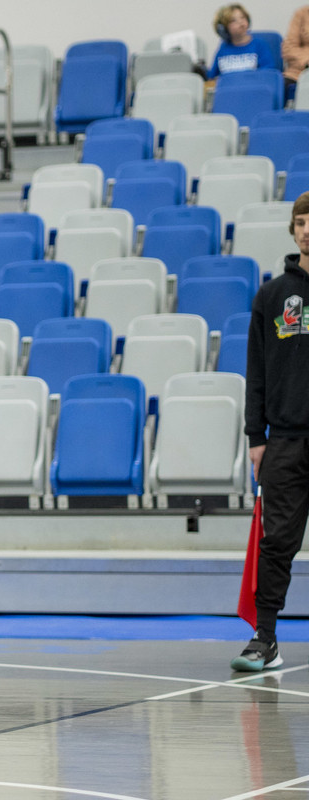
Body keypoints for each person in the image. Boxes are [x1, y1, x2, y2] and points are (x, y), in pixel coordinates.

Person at [235, 191, 309, 672]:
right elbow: (256, 371)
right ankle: (265, 639)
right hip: (284, 439)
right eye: (301, 222)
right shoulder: (272, 295)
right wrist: (255, 436)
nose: (307, 230)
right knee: (277, 542)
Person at [207, 4, 278, 79]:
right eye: (233, 20)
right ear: (223, 28)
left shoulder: (259, 45)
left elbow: (269, 72)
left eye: (243, 17)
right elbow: (212, 76)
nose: (240, 22)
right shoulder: (223, 49)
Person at [282, 5, 309, 85]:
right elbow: (289, 48)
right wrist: (306, 61)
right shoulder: (302, 13)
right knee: (280, 85)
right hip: (299, 72)